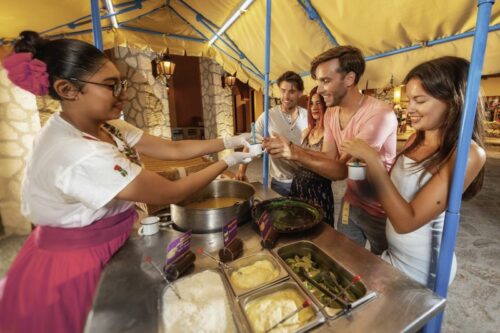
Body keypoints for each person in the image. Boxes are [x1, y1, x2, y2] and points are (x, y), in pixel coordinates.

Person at [0, 31, 256, 333]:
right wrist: (228, 161)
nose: (123, 92)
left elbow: (172, 148)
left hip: (110, 241)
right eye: (111, 86)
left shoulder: (106, 126)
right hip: (76, 263)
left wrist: (230, 139)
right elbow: (172, 191)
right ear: (67, 89)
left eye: (121, 82)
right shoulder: (77, 152)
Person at [341, 56, 486, 287]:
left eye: (419, 100)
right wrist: (364, 166)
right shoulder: (413, 140)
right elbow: (393, 194)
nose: (409, 109)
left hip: (424, 268)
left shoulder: (467, 154)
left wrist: (374, 160)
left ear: (453, 101)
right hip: (394, 254)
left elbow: (406, 222)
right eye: (409, 100)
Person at [264, 46, 398, 254]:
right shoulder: (332, 114)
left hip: (381, 210)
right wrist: (291, 148)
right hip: (351, 202)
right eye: (318, 81)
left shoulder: (379, 115)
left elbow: (340, 171)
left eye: (325, 81)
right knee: (346, 257)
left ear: (349, 79)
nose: (318, 89)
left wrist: (295, 152)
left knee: (382, 269)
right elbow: (330, 159)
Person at [235, 71, 307, 196]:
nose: (286, 96)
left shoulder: (307, 116)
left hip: (305, 180)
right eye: (283, 90)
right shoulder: (268, 116)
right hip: (280, 182)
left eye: (292, 91)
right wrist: (242, 170)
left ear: (300, 93)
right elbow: (250, 141)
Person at [290, 86, 334, 226]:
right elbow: (299, 163)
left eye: (319, 103)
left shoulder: (330, 133)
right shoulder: (306, 132)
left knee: (319, 232)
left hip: (318, 191)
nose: (314, 107)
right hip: (298, 188)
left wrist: (298, 153)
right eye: (312, 103)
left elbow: (330, 168)